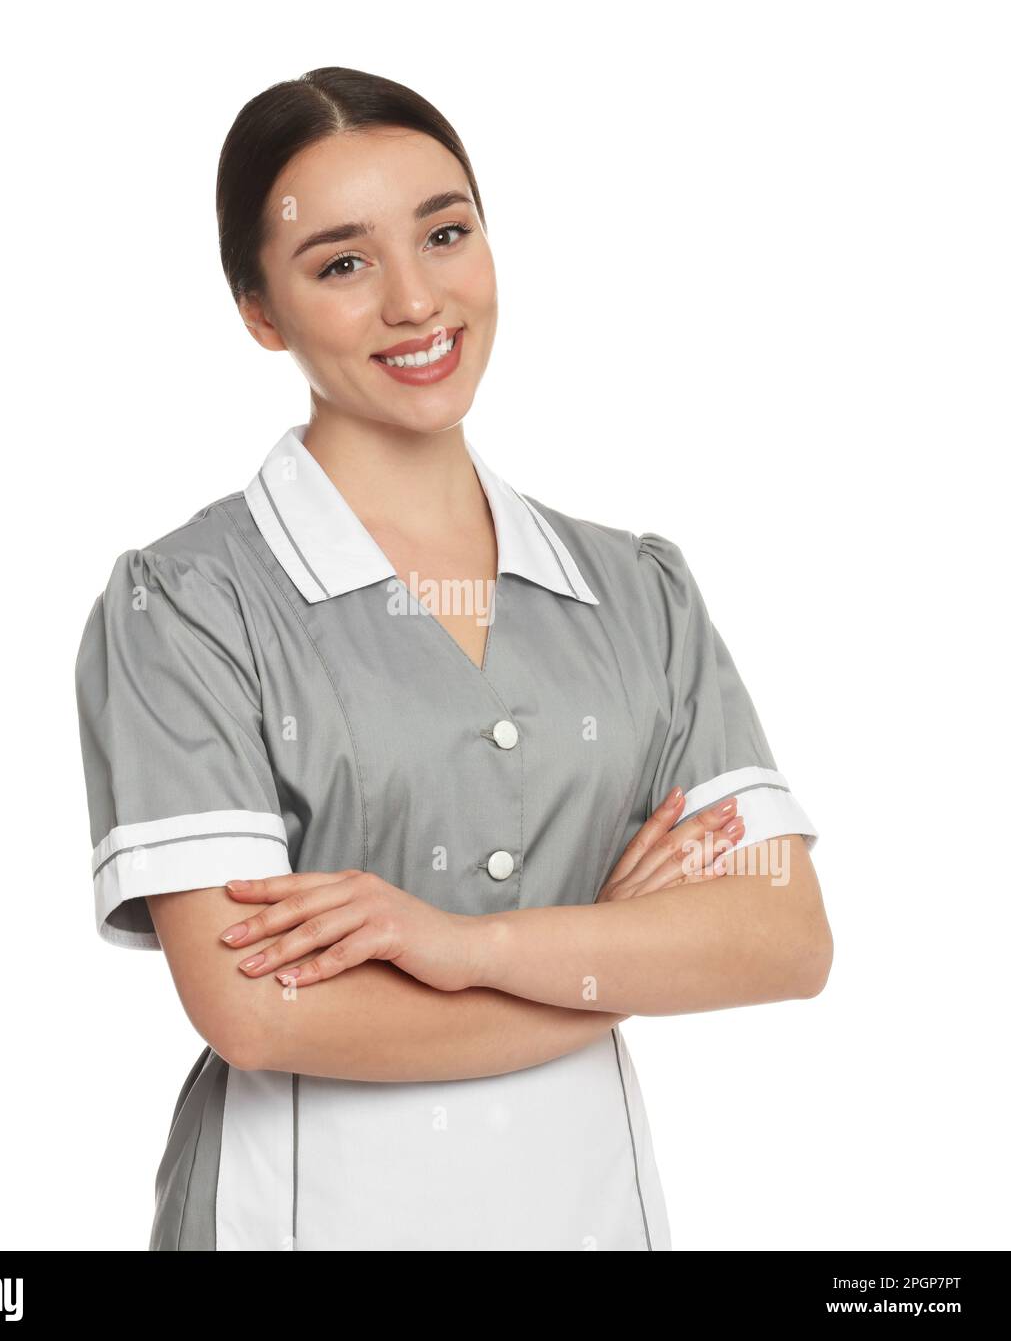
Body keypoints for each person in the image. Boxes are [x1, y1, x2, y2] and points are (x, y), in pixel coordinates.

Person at [74, 65, 831, 1251]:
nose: (416, 301)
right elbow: (260, 1010)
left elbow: (782, 940)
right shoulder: (186, 607)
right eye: (340, 262)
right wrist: (613, 958)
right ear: (258, 312)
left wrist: (457, 944)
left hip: (590, 1211)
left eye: (445, 231)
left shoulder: (634, 591)